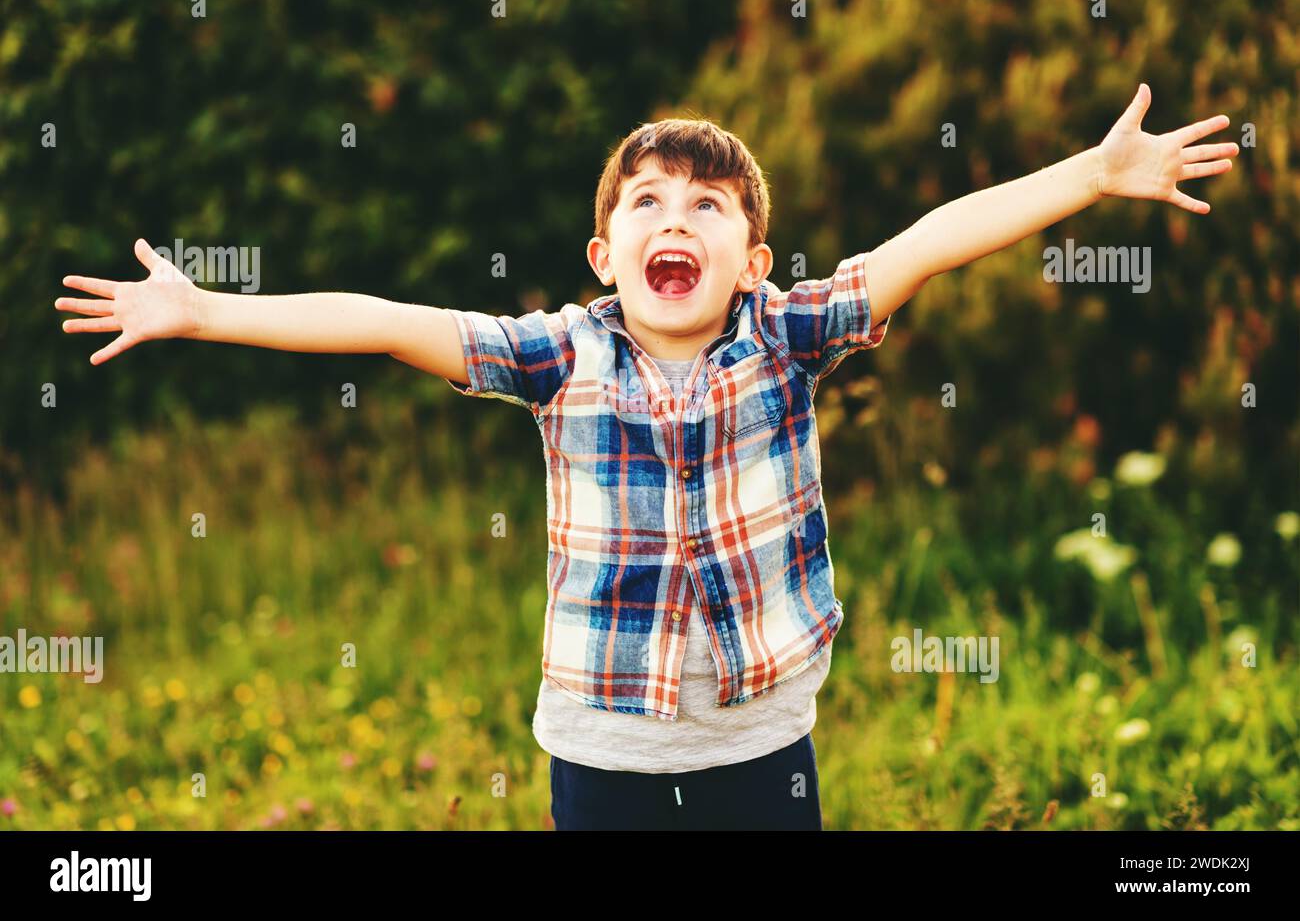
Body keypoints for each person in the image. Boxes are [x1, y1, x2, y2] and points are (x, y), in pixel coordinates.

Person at [56, 86, 1236, 830]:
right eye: (650, 202)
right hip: (599, 749)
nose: (678, 219)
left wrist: (1088, 174)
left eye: (711, 206)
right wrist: (205, 312)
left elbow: (928, 243)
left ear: (756, 260)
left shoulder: (786, 336)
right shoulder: (557, 355)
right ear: (604, 254)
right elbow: (384, 321)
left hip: (763, 745)